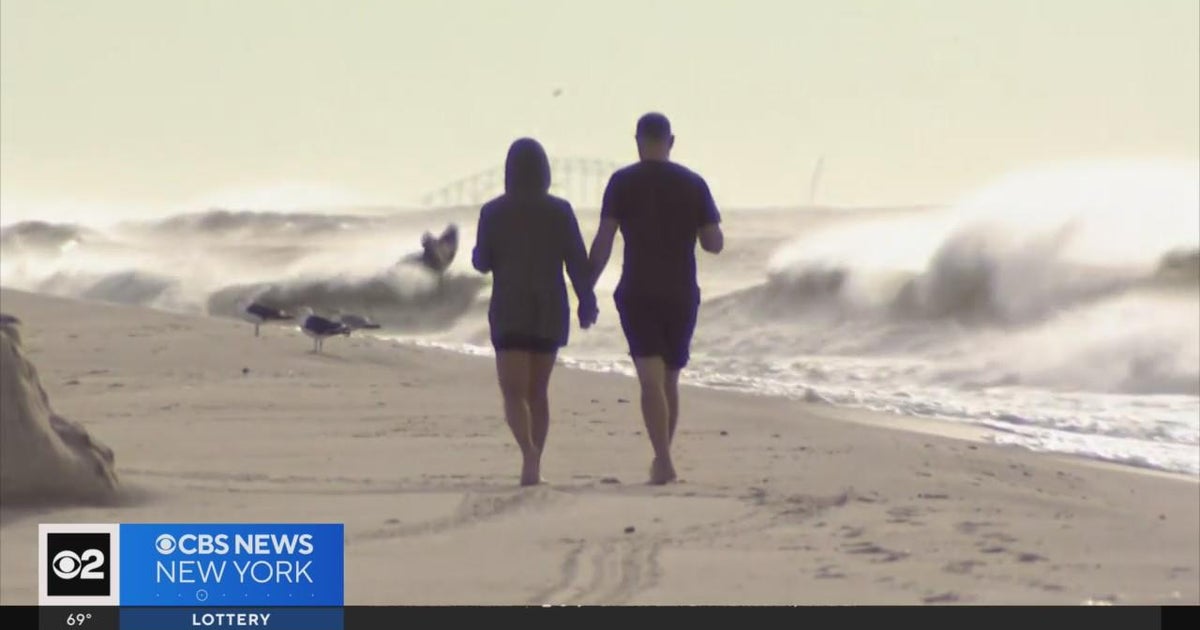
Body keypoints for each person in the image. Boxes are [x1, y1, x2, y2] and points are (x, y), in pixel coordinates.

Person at [586, 113, 724, 485]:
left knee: (650, 381)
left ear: (637, 141)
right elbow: (713, 244)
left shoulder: (621, 182)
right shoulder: (693, 183)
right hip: (681, 294)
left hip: (638, 291)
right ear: (671, 141)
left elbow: (604, 240)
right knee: (669, 381)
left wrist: (585, 287)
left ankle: (663, 458)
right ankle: (663, 459)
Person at [472, 138, 597, 486]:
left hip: (509, 310)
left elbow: (482, 262)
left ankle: (527, 452)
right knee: (537, 392)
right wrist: (587, 301)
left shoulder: (492, 212)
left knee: (513, 393)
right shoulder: (561, 211)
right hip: (549, 310)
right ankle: (535, 463)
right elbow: (577, 262)